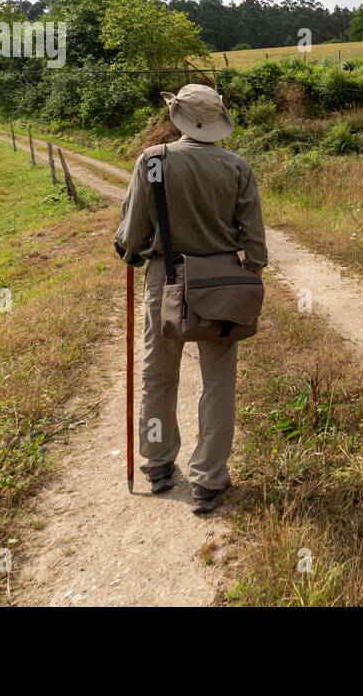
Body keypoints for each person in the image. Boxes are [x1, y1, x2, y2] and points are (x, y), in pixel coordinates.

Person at [114, 83, 267, 514]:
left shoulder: (153, 162)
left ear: (176, 118)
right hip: (222, 281)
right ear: (217, 121)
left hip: (166, 277)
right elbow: (255, 243)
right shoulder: (237, 167)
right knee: (218, 381)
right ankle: (209, 479)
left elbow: (131, 237)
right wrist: (247, 274)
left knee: (159, 373)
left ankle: (159, 463)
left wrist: (134, 249)